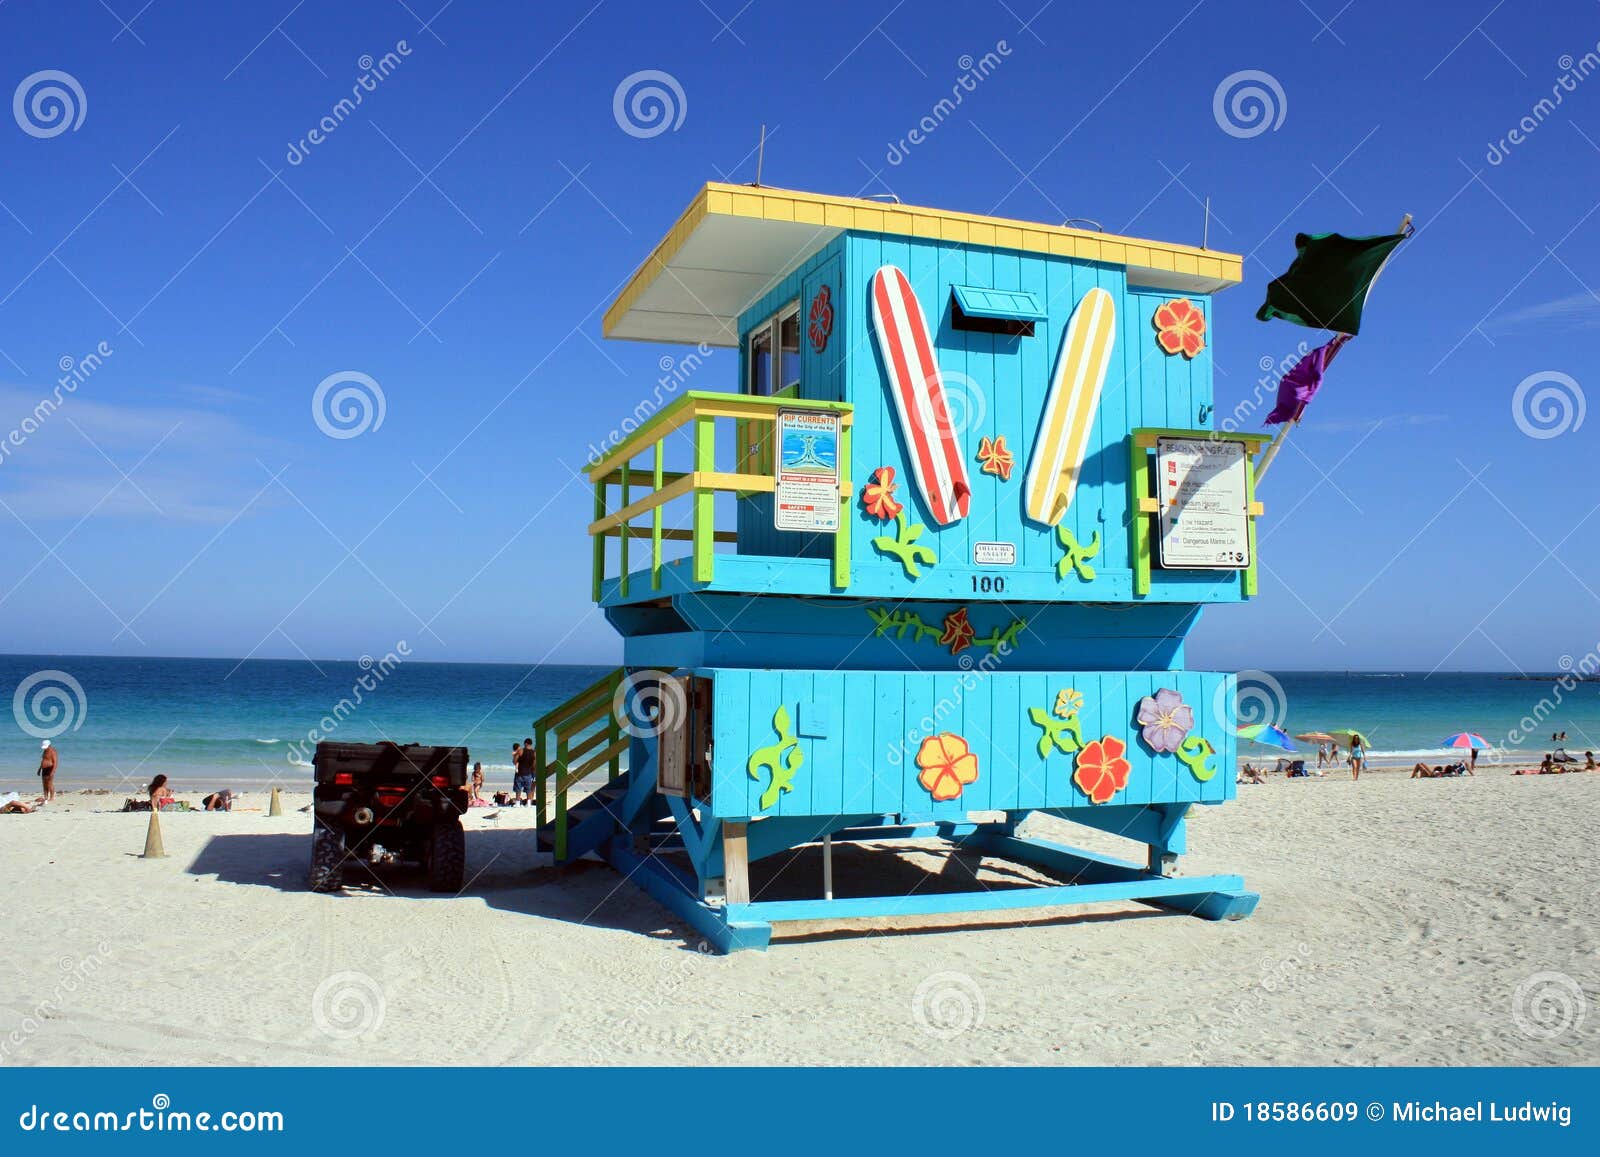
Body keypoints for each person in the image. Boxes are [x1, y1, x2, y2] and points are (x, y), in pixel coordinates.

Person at [514, 738, 537, 807]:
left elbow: (515, 761)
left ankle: (517, 803)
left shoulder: (521, 751)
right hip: (528, 773)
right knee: (528, 789)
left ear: (525, 743)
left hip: (520, 772)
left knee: (518, 788)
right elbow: (534, 764)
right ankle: (528, 803)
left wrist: (515, 759)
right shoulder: (533, 752)